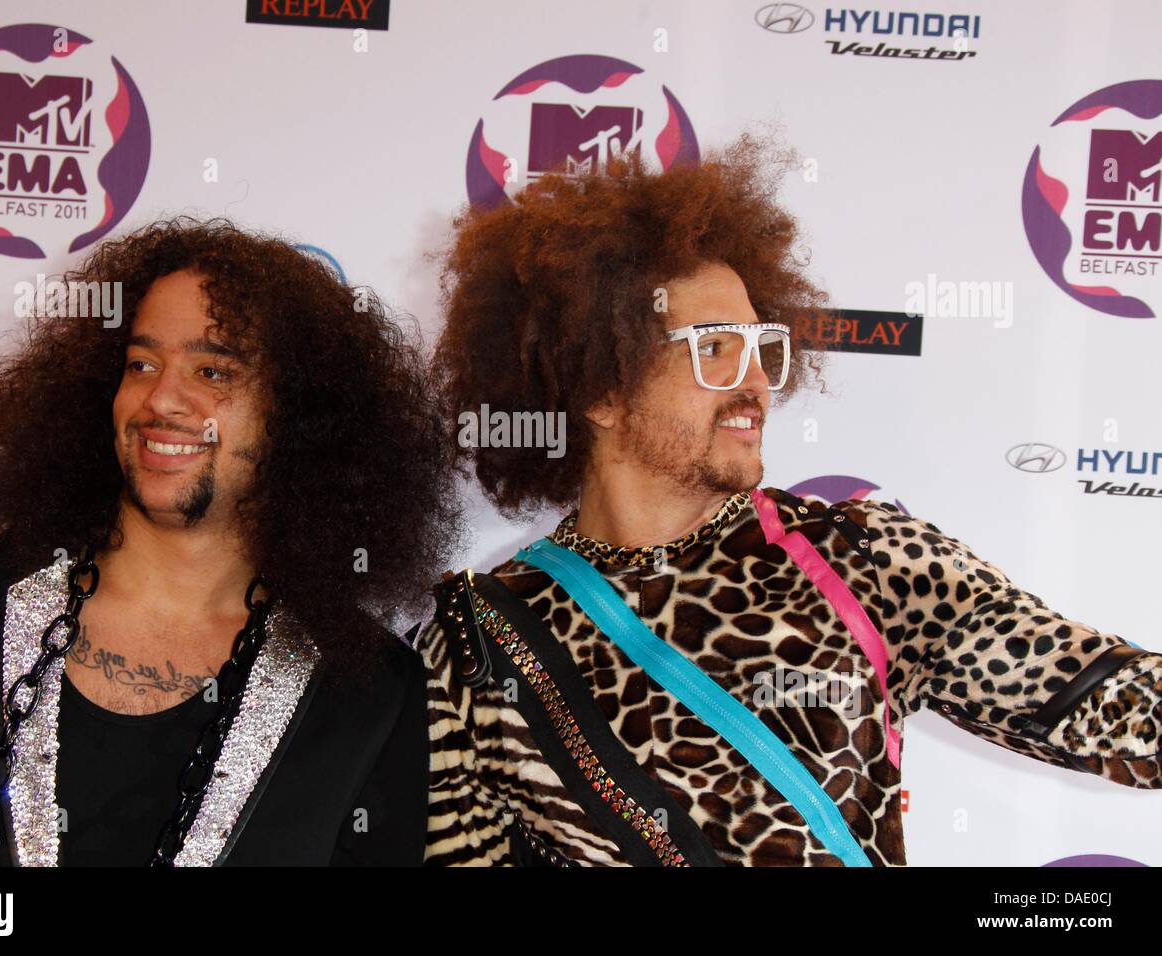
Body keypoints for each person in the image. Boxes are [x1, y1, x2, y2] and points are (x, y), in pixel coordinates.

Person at [418, 138, 1161, 866]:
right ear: (602, 389)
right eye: (713, 348)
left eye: (761, 346)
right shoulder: (480, 640)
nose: (756, 383)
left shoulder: (864, 557)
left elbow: (1114, 704)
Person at [0, 217, 462, 866]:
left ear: (299, 417)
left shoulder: (364, 696)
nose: (161, 398)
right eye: (141, 363)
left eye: (213, 371)